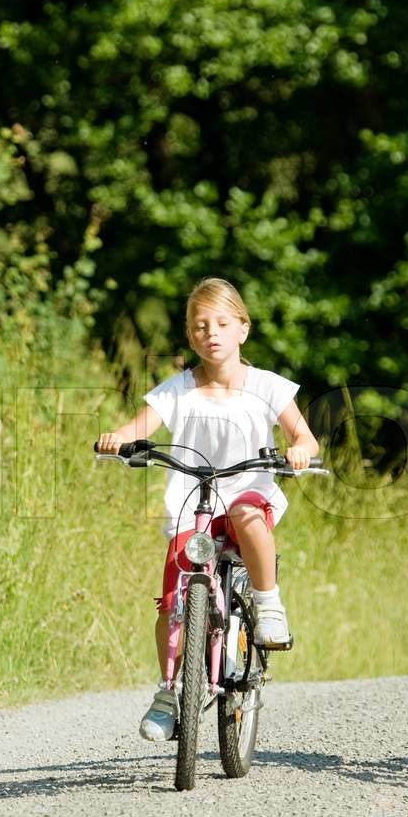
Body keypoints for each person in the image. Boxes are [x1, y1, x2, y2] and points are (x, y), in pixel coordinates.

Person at [95, 277, 320, 742]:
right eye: (200, 326)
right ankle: (169, 691)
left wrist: (298, 449)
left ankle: (267, 602)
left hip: (247, 491)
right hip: (191, 502)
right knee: (173, 594)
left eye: (221, 323)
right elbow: (140, 426)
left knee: (246, 515)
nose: (210, 333)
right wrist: (118, 438)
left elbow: (305, 437)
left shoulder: (267, 386)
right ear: (189, 335)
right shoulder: (177, 389)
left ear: (243, 328)